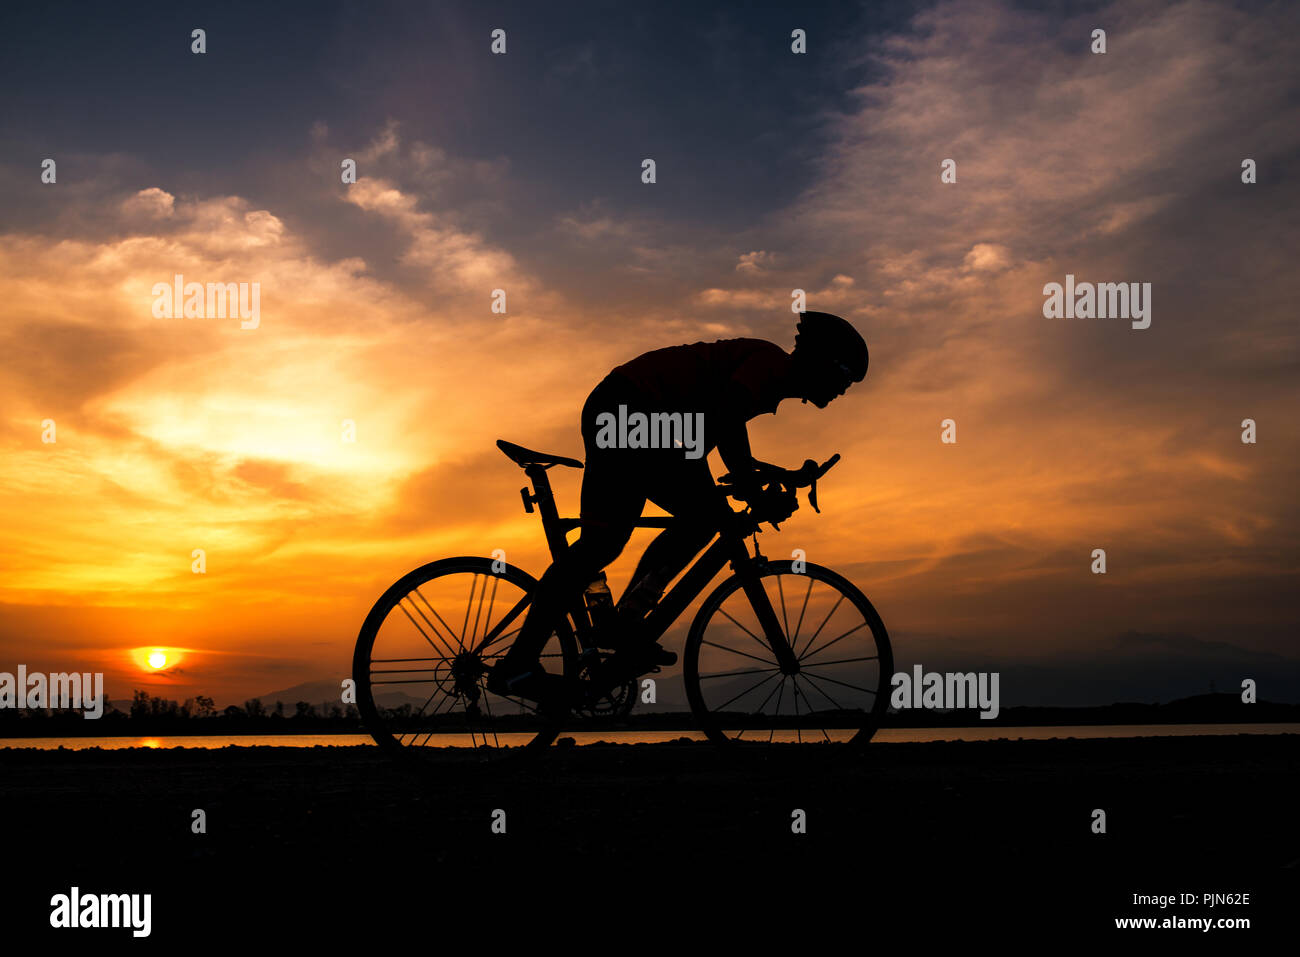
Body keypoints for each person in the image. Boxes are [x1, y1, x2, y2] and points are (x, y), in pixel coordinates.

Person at [486, 311, 869, 709]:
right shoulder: (768, 366)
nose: (844, 389)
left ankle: (622, 621)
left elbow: (720, 433)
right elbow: (724, 421)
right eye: (844, 377)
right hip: (635, 410)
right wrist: (754, 489)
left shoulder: (768, 374)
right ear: (822, 363)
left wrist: (769, 476)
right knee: (634, 536)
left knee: (640, 533)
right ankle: (532, 658)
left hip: (646, 416)